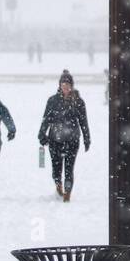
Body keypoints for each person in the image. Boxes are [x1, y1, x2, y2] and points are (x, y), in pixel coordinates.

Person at [38, 70, 90, 202]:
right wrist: (41, 134)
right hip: (55, 140)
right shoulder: (52, 100)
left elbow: (83, 121)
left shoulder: (78, 101)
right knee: (56, 169)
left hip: (72, 140)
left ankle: (67, 194)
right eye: (63, 83)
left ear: (72, 85)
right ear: (59, 85)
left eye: (68, 84)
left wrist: (87, 138)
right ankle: (58, 185)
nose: (65, 86)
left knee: (68, 168)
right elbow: (46, 119)